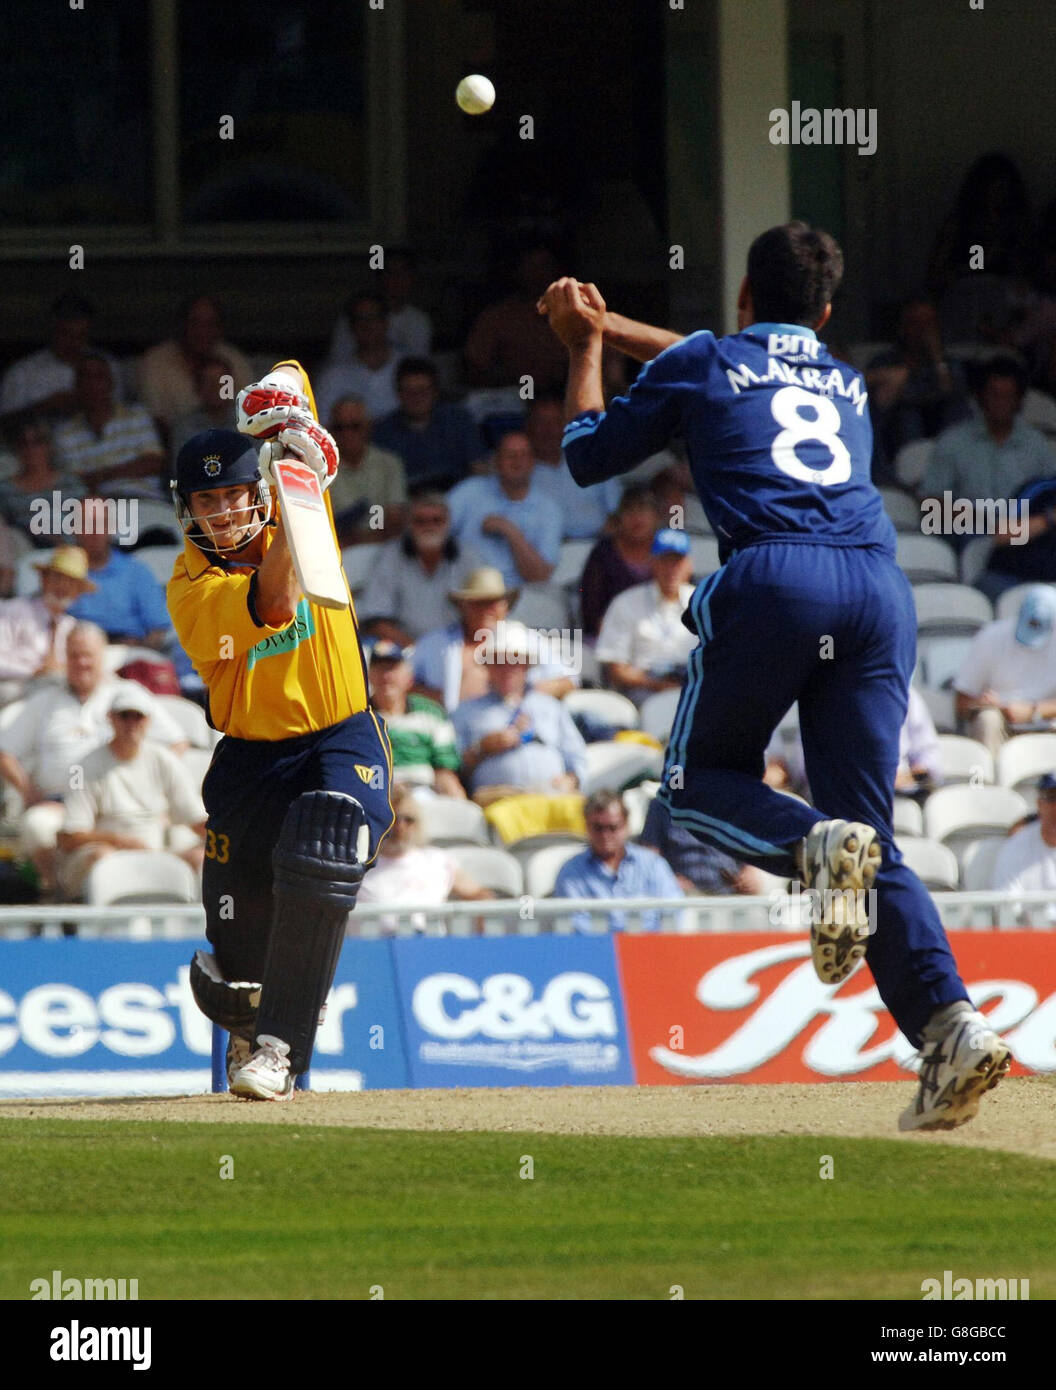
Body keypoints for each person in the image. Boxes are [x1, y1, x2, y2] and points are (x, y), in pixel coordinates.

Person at [538, 219, 1011, 1133]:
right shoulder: (844, 379)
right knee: (871, 840)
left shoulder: (713, 359)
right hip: (881, 588)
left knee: (696, 781)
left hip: (778, 580)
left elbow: (587, 451)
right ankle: (951, 1025)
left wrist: (585, 346)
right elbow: (722, 363)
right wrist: (616, 324)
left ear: (744, 297)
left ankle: (809, 850)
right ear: (825, 314)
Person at [167, 362, 394, 1102]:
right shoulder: (191, 586)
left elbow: (292, 377)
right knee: (238, 935)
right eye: (209, 501)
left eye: (236, 494)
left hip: (340, 735)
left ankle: (279, 1049)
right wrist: (305, 501)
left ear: (260, 487)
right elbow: (274, 595)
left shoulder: (299, 482)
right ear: (186, 510)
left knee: (324, 844)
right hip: (249, 759)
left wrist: (269, 408)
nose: (226, 513)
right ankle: (252, 1024)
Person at [0, 621, 187, 894]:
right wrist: (30, 794)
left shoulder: (127, 697)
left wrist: (157, 794)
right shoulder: (45, 700)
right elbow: (5, 750)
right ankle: (56, 893)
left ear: (103, 656)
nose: (82, 662)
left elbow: (177, 742)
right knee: (37, 825)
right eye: (74, 655)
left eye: (88, 655)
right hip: (61, 805)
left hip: (121, 808)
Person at [55, 682, 207, 901]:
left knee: (200, 857)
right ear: (111, 718)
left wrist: (227, 835)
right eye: (124, 716)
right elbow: (69, 836)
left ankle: (200, 930)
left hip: (157, 852)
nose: (131, 724)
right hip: (104, 851)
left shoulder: (164, 760)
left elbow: (195, 819)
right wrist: (120, 841)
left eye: (138, 717)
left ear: (149, 721)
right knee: (102, 857)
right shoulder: (83, 767)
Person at [450, 621, 586, 805]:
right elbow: (453, 768)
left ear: (526, 666)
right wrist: (482, 748)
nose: (507, 669)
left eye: (515, 661)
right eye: (499, 662)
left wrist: (571, 780)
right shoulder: (465, 711)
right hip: (497, 801)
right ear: (488, 667)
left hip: (552, 797)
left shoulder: (551, 707)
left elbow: (577, 757)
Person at [412, 566, 576, 710]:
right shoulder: (435, 643)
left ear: (505, 606)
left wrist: (530, 694)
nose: (486, 610)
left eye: (492, 602)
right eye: (478, 602)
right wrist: (437, 699)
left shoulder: (527, 640)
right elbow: (402, 679)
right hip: (450, 731)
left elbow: (568, 682)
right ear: (463, 606)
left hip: (514, 731)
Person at [919, 356, 1055, 506]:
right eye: (995, 395)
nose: (1001, 403)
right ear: (979, 397)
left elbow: (1051, 495)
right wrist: (982, 521)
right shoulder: (952, 442)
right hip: (967, 526)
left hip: (1023, 527)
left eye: (1008, 396)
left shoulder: (1036, 444)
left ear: (1019, 401)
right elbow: (931, 501)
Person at [356, 785, 492, 933]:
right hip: (371, 950)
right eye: (393, 819)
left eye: (408, 820)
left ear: (417, 823)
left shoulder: (437, 862)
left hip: (429, 948)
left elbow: (478, 895)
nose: (400, 827)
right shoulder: (358, 864)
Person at [357, 493, 483, 645]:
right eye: (420, 521)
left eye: (436, 520)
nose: (429, 526)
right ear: (408, 525)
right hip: (402, 649)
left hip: (457, 648)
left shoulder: (468, 558)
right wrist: (417, 652)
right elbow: (375, 620)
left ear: (448, 523)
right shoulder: (391, 556)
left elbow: (483, 613)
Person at [445, 430, 563, 589]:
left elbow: (539, 577)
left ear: (533, 462)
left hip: (522, 593)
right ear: (496, 461)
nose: (518, 461)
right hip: (467, 590)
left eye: (524, 455)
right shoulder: (469, 491)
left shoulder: (548, 509)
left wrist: (510, 531)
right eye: (510, 455)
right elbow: (434, 528)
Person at [594, 527, 698, 706]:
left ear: (688, 565)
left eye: (677, 562)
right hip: (643, 687)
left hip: (692, 682)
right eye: (665, 561)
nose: (671, 569)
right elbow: (616, 669)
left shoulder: (701, 601)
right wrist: (657, 685)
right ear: (652, 563)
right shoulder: (626, 602)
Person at [553, 790, 683, 932]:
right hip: (596, 951)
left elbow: (673, 912)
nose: (605, 835)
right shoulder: (571, 872)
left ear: (627, 825)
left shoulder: (653, 865)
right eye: (598, 828)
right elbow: (576, 925)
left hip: (651, 948)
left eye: (613, 827)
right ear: (586, 826)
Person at [953, 585, 1056, 760]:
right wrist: (982, 702)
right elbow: (961, 703)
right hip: (1001, 723)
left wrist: (1034, 711)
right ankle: (988, 784)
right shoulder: (990, 637)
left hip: (1049, 722)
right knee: (988, 720)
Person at [53, 355, 166, 499]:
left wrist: (99, 476)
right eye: (85, 377)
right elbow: (74, 483)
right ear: (76, 386)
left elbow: (154, 463)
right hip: (96, 509)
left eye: (99, 377)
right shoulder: (65, 433)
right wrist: (130, 468)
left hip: (143, 501)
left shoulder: (136, 416)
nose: (92, 384)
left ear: (111, 383)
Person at [68, 498, 173, 649]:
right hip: (75, 655)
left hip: (130, 654)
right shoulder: (60, 574)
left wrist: (140, 651)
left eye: (100, 523)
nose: (94, 531)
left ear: (112, 527)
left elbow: (158, 629)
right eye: (86, 523)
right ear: (73, 529)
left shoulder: (137, 572)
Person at [0, 292, 122, 422]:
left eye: (81, 335)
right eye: (67, 334)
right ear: (53, 330)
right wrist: (43, 407)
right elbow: (4, 424)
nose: (74, 342)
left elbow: (121, 414)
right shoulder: (22, 373)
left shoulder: (106, 366)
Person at [138, 295, 254, 431]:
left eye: (210, 323)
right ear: (182, 325)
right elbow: (154, 422)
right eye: (195, 323)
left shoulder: (234, 360)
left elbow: (249, 410)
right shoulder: (156, 362)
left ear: (220, 328)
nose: (203, 330)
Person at [368, 641, 465, 798]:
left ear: (408, 677)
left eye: (392, 669)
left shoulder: (431, 713)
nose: (386, 676)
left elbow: (445, 767)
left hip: (422, 791)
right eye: (380, 669)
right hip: (376, 792)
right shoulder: (359, 718)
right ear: (369, 675)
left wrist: (454, 794)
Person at [0, 546, 95, 704]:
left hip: (56, 694)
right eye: (57, 578)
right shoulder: (13, 611)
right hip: (14, 688)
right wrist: (34, 672)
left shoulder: (71, 628)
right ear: (43, 579)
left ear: (78, 592)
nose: (63, 586)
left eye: (71, 582)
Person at [371, 358, 482, 489]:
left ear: (435, 392)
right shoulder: (383, 431)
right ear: (398, 394)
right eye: (409, 392)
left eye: (423, 391)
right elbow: (380, 485)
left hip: (457, 497)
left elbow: (478, 468)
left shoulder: (459, 420)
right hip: (408, 502)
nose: (416, 398)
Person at [525, 390, 621, 539]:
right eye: (541, 422)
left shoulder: (591, 459)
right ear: (529, 426)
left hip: (599, 546)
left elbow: (618, 511)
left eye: (556, 422)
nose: (548, 430)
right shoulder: (520, 470)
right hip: (547, 553)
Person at [578, 485, 662, 640]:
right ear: (618, 518)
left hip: (660, 638)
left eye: (643, 508)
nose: (636, 517)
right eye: (629, 509)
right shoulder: (602, 554)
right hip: (608, 639)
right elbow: (590, 612)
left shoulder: (668, 551)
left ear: (657, 516)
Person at [638, 794, 764, 896]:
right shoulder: (660, 806)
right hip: (683, 897)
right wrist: (669, 881)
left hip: (729, 895)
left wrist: (749, 874)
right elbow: (648, 860)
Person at [324, 394, 406, 545]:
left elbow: (395, 520)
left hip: (383, 549)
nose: (347, 434)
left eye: (355, 426)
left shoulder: (388, 464)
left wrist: (365, 536)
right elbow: (322, 529)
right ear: (330, 430)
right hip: (338, 552)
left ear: (368, 427)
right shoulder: (321, 469)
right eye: (340, 427)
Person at [328, 249, 433, 365]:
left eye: (402, 273)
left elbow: (420, 367)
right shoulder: (353, 317)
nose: (396, 279)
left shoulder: (419, 321)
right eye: (390, 273)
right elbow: (337, 362)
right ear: (380, 277)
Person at [315, 293, 402, 425]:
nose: (367, 325)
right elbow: (321, 428)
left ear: (386, 322)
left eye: (373, 318)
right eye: (359, 319)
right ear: (351, 326)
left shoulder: (407, 367)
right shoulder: (332, 376)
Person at [0, 417, 86, 545]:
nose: (31, 450)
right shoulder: (6, 491)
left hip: (74, 552)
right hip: (29, 557)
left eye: (37, 442)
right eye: (24, 444)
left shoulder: (70, 482)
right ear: (16, 449)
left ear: (48, 446)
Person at [991, 772, 1056, 900]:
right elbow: (1007, 910)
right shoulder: (1015, 848)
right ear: (1039, 804)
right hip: (1030, 920)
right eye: (1051, 797)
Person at [169, 355, 239, 467]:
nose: (216, 387)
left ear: (233, 386)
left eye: (223, 382)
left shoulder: (254, 423)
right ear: (197, 388)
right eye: (208, 382)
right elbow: (182, 472)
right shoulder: (184, 426)